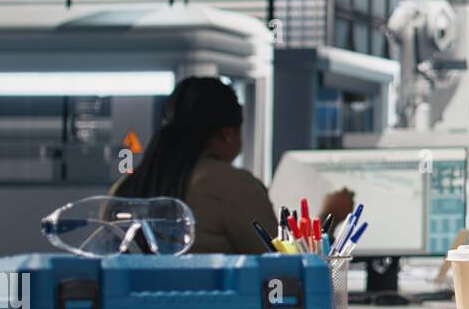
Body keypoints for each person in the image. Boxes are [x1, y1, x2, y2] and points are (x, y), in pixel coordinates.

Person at [111, 77, 353, 254]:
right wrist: (329, 217)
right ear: (228, 134)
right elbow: (283, 267)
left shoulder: (125, 188)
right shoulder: (233, 186)